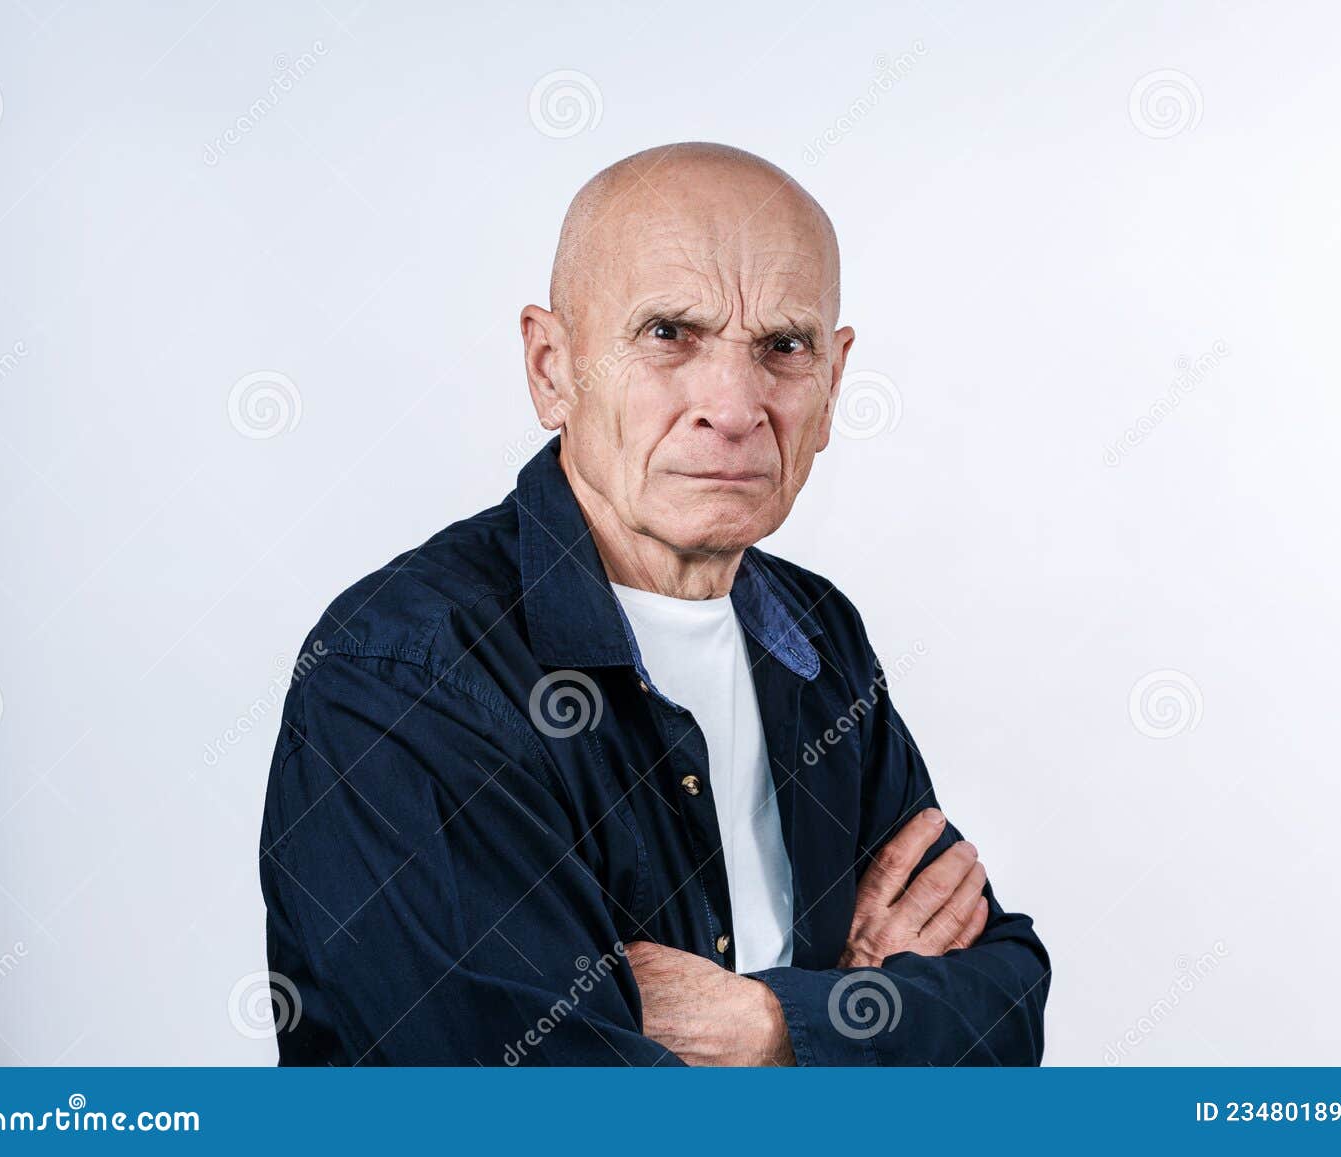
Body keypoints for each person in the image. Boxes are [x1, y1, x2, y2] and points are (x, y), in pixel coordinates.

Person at [259, 142, 1050, 1065]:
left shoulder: (817, 634)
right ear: (552, 367)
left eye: (783, 347)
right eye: (670, 334)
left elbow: (1005, 1007)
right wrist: (864, 1011)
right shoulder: (400, 672)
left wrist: (771, 1027)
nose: (735, 405)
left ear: (833, 384)